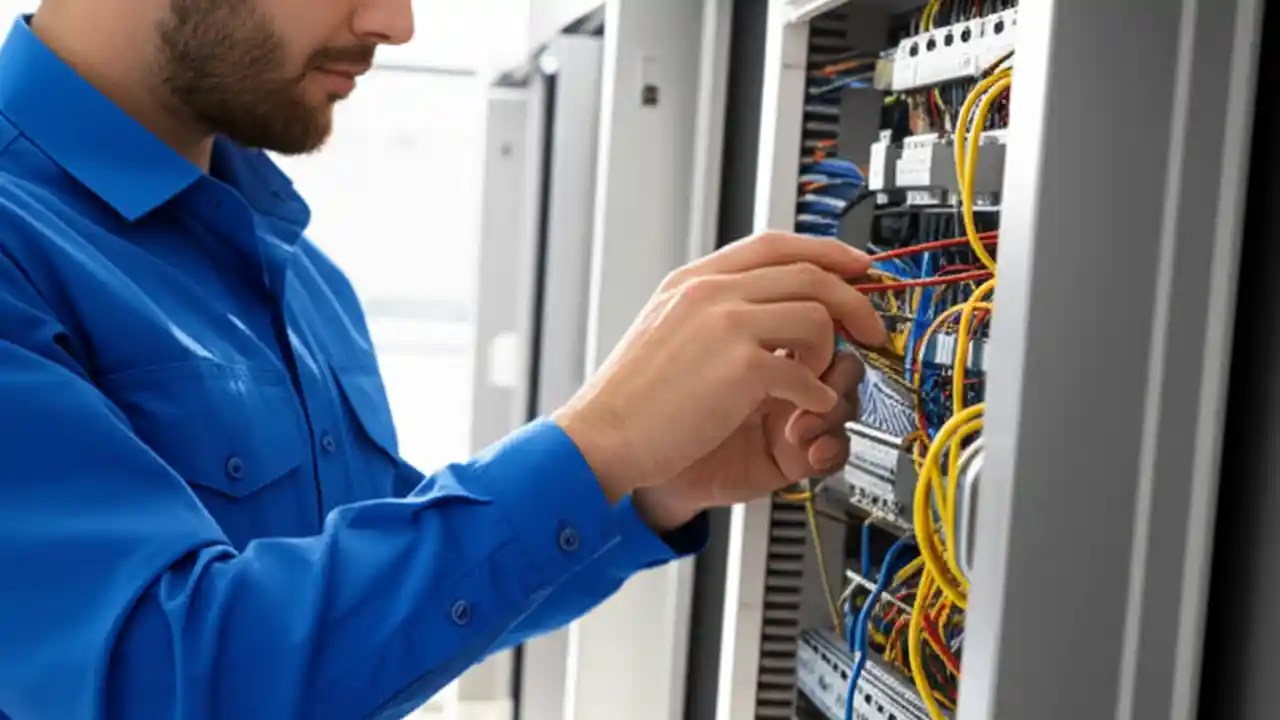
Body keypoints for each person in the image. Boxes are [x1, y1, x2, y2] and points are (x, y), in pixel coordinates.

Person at [0, 1, 885, 718]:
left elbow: (365, 624)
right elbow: (152, 685)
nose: (398, 23)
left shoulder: (300, 275)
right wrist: (597, 444)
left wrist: (643, 486)